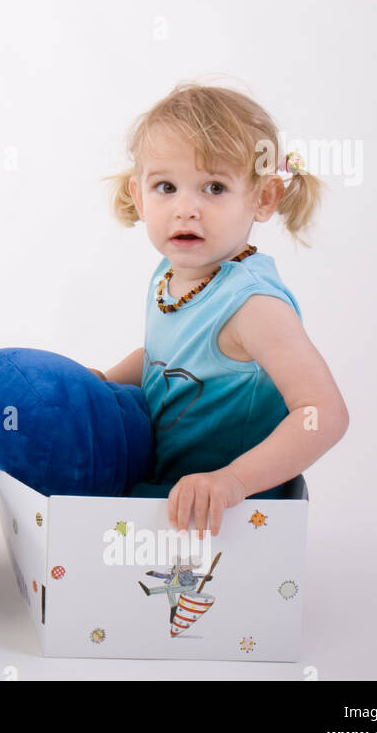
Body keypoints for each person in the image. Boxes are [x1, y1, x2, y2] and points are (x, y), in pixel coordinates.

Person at [99, 84, 348, 535]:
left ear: (263, 198)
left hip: (230, 510)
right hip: (171, 483)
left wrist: (233, 481)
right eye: (166, 187)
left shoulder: (253, 305)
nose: (186, 209)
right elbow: (165, 356)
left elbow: (324, 413)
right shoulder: (169, 274)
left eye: (214, 187)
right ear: (138, 194)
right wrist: (101, 383)